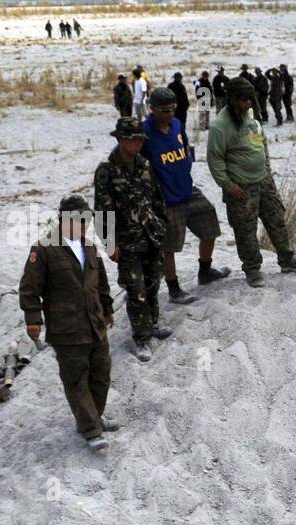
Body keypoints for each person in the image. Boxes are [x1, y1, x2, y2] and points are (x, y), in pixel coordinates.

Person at [19, 195, 117, 452]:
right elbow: (29, 289)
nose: (83, 225)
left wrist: (107, 309)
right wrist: (33, 321)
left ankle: (94, 416)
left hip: (95, 324)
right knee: (76, 379)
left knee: (101, 373)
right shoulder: (43, 249)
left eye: (86, 220)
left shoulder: (90, 247)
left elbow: (101, 283)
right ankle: (90, 429)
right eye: (78, 220)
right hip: (66, 328)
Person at [208, 76, 296, 287]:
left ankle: (287, 259)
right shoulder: (220, 126)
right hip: (241, 187)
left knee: (277, 220)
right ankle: (252, 269)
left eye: (251, 99)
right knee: (246, 230)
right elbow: (215, 160)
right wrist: (229, 185)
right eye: (245, 99)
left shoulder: (251, 113)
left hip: (264, 179)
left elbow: (261, 142)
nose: (249, 103)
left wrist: (268, 170)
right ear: (233, 99)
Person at [142, 87, 230, 303]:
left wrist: (186, 165)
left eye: (173, 108)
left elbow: (185, 145)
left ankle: (205, 271)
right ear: (152, 109)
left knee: (210, 227)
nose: (169, 113)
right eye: (164, 110)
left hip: (188, 189)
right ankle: (174, 289)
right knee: (169, 246)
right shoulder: (143, 132)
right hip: (166, 198)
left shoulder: (177, 124)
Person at [94, 117, 171, 360]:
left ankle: (154, 324)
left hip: (151, 236)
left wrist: (161, 228)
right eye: (133, 139)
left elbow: (156, 199)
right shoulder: (106, 171)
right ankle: (141, 338)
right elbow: (102, 211)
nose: (138, 143)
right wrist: (109, 243)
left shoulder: (144, 165)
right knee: (135, 290)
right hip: (126, 242)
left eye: (140, 139)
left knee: (152, 284)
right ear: (120, 139)